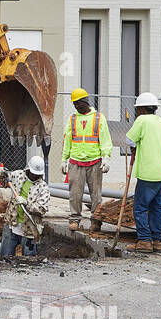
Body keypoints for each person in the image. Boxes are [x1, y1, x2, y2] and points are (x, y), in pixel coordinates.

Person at [125, 91, 161, 252]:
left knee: (140, 207)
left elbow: (129, 139)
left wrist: (135, 146)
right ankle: (158, 241)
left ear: (142, 109)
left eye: (137, 109)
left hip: (148, 172)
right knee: (157, 208)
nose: (136, 112)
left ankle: (144, 240)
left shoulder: (142, 120)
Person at [61, 87, 112, 231]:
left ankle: (96, 221)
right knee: (75, 194)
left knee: (96, 194)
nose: (77, 106)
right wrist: (64, 160)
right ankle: (75, 219)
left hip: (94, 161)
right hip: (76, 161)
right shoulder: (72, 119)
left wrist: (106, 157)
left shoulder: (98, 118)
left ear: (86, 101)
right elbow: (67, 141)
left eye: (79, 103)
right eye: (75, 104)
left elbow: (105, 139)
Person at [0, 154, 51, 259]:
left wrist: (27, 204)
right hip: (12, 224)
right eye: (33, 173)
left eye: (37, 174)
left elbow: (42, 209)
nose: (35, 176)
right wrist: (0, 172)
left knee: (28, 261)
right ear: (28, 169)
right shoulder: (18, 176)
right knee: (4, 258)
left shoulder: (43, 187)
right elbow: (4, 181)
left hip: (30, 229)